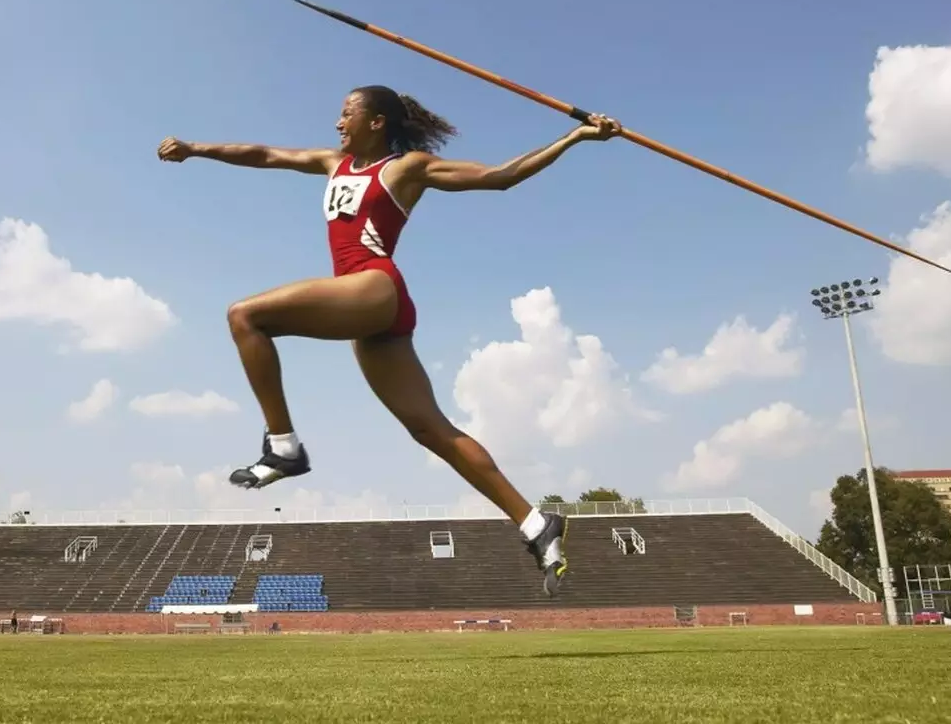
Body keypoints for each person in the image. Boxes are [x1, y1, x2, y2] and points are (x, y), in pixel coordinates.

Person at [157, 85, 621, 596]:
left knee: (245, 316)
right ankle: (537, 525)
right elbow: (264, 154)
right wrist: (197, 148)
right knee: (430, 430)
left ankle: (283, 446)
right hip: (370, 320)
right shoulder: (333, 162)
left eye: (346, 112)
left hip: (376, 287)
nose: (337, 122)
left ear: (376, 122)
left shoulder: (406, 168)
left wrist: (575, 137)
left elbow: (500, 177)